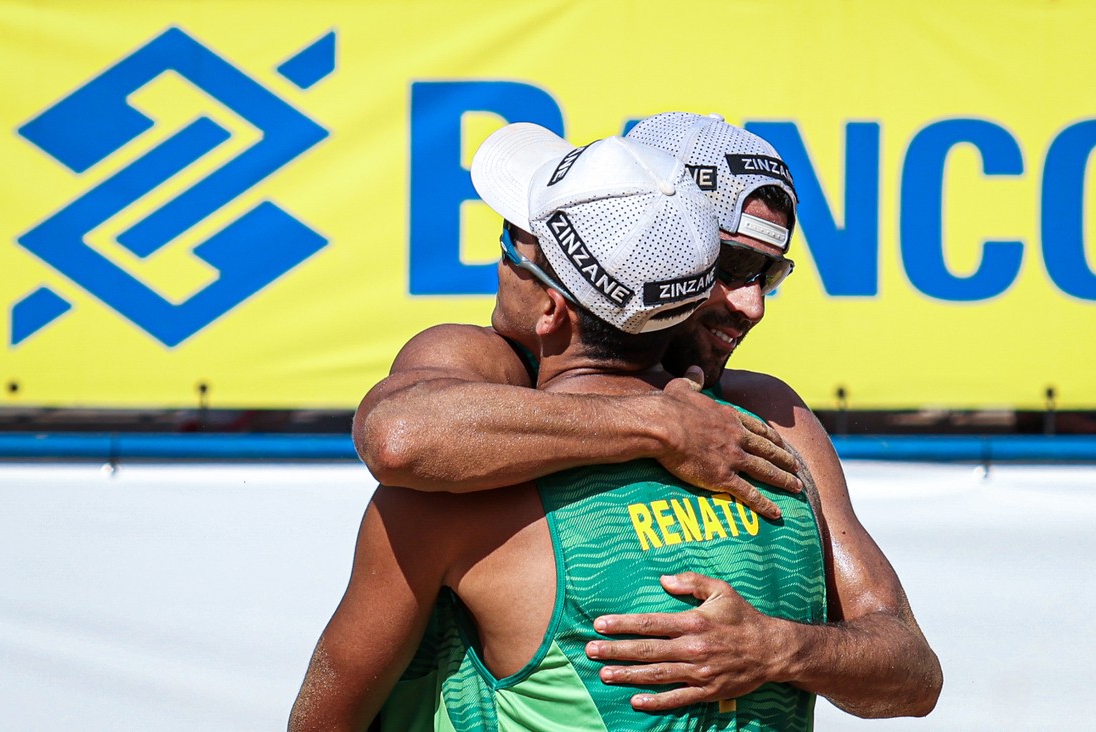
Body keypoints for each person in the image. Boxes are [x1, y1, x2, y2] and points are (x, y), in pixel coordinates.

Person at [348, 111, 941, 720]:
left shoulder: (768, 411)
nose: (753, 305)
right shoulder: (487, 366)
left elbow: (914, 674)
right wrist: (660, 425)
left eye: (768, 275)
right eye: (731, 268)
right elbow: (396, 436)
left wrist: (779, 649)